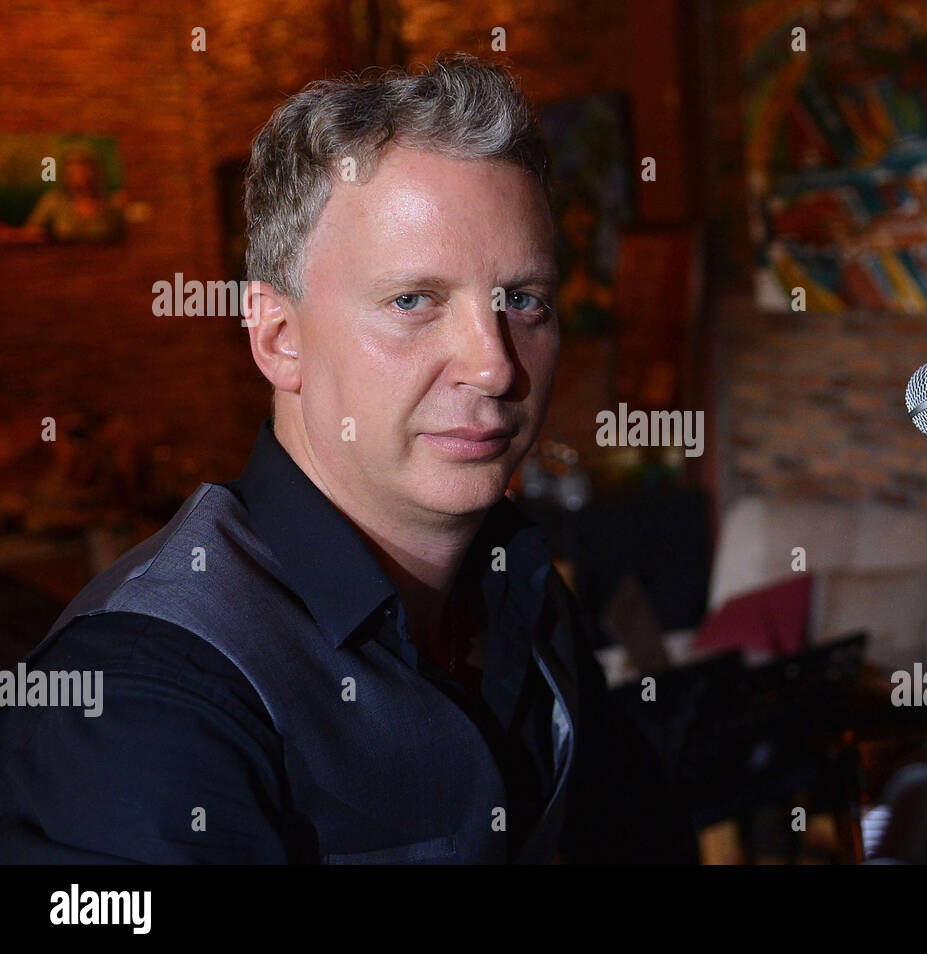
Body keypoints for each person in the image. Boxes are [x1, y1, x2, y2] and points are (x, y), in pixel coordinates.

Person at [0, 54, 697, 865]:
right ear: (278, 337)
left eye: (523, 300)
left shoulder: (524, 591)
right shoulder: (144, 690)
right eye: (413, 301)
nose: (496, 365)